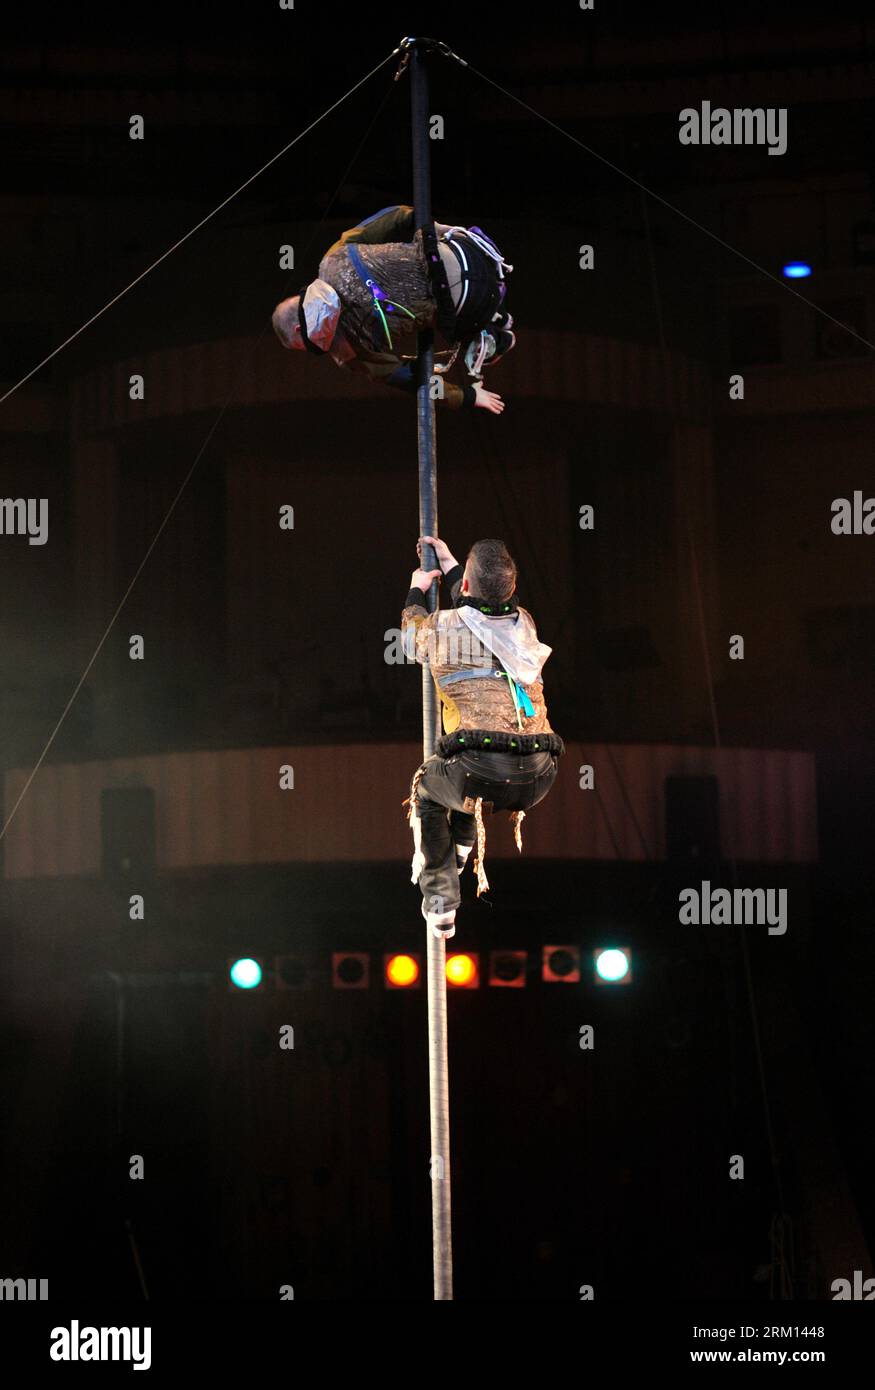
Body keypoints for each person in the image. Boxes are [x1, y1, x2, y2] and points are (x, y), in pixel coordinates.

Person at [402, 535, 564, 938]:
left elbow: (410, 639)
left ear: (467, 587)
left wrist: (418, 590)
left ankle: (441, 901)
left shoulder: (441, 627)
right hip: (541, 773)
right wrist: (453, 564)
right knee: (466, 775)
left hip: (481, 767)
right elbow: (480, 609)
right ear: (512, 590)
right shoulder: (523, 623)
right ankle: (459, 850)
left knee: (427, 788)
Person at [272, 205, 515, 413]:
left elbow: (415, 380)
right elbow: (392, 217)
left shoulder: (346, 352)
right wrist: (425, 222)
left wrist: (468, 396)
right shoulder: (331, 258)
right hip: (468, 253)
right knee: (437, 258)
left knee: (460, 331)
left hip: (469, 304)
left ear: (298, 328)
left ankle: (492, 335)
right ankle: (497, 314)